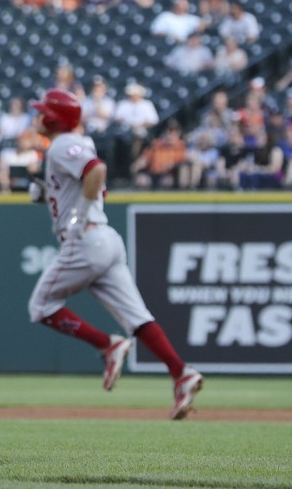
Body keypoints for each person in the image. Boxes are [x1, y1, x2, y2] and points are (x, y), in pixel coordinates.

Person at [26, 89, 204, 419]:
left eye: (42, 111)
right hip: (104, 238)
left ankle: (107, 345)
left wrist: (77, 218)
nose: (36, 116)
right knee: (138, 318)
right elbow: (83, 181)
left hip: (87, 239)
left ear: (53, 118)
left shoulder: (64, 143)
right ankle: (181, 373)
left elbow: (96, 170)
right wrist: (49, 193)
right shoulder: (66, 145)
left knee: (41, 307)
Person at [132, 119, 189, 188]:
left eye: (172, 131)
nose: (169, 133)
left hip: (169, 175)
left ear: (178, 132)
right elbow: (145, 158)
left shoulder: (181, 146)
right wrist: (139, 164)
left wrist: (172, 166)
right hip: (153, 173)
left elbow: (183, 162)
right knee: (141, 180)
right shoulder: (156, 144)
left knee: (167, 181)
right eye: (167, 130)